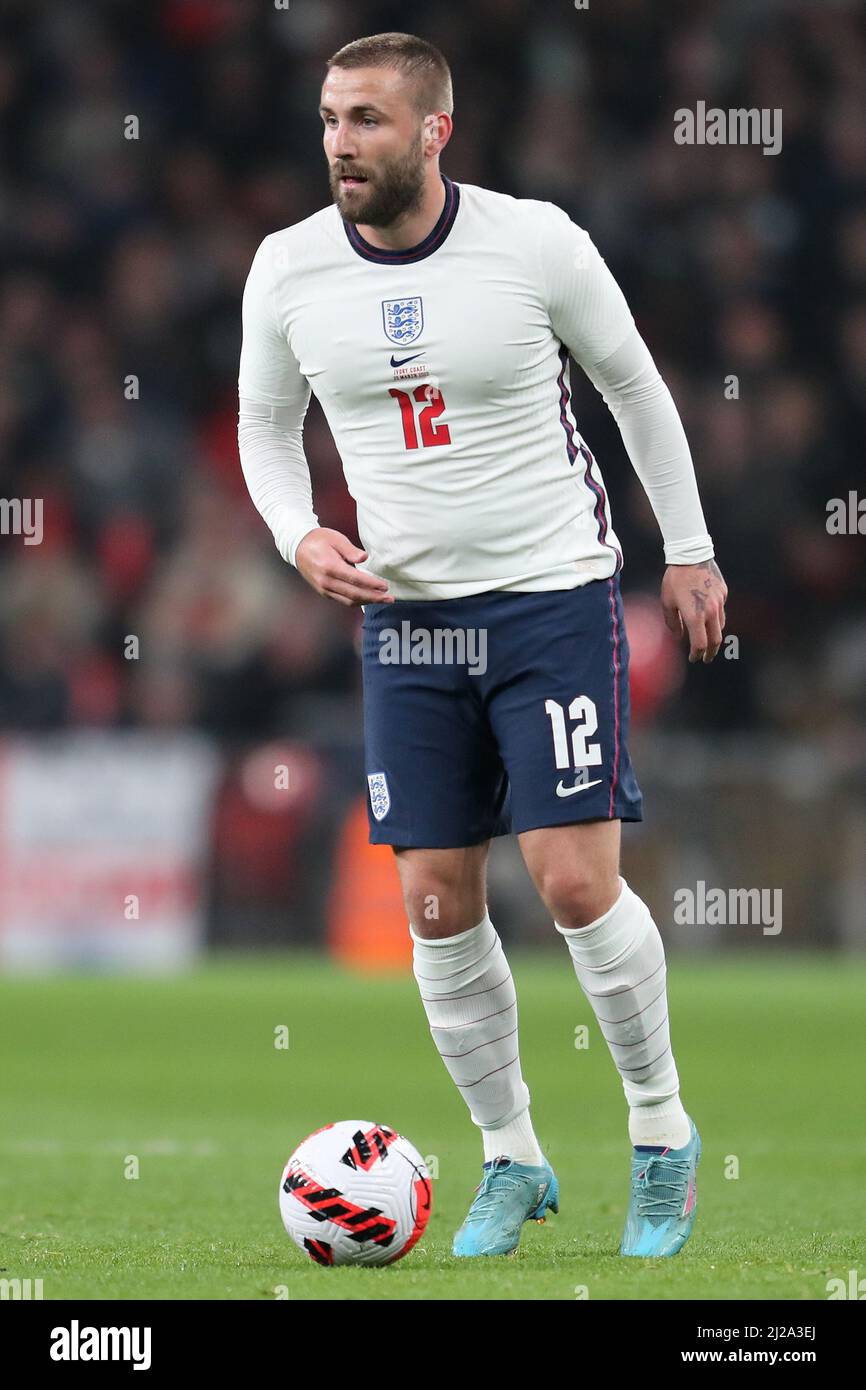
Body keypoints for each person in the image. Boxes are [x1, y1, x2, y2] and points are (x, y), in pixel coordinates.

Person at [237, 30, 727, 1259]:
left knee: (570, 880)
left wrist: (690, 547)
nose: (340, 142)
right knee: (436, 900)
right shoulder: (287, 268)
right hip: (403, 621)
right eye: (330, 119)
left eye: (366, 120)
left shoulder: (533, 243)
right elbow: (262, 423)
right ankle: (511, 1157)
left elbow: (635, 388)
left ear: (433, 131)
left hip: (549, 598)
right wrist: (299, 533)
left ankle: (660, 1131)